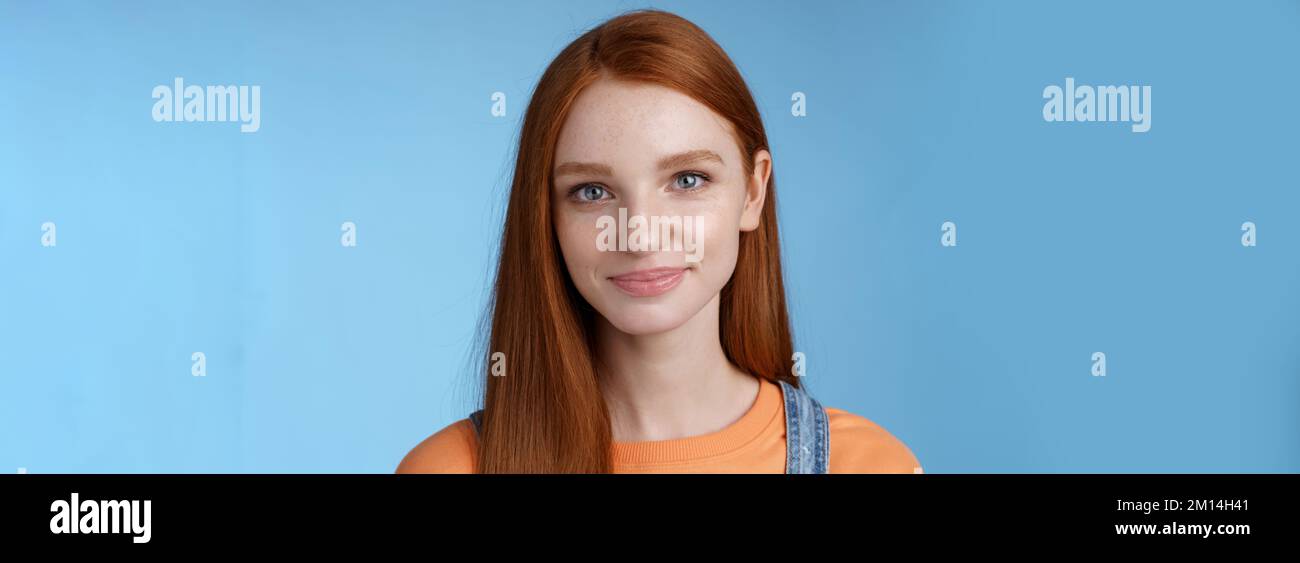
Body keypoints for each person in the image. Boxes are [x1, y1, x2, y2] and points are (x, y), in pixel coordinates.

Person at [398, 9, 921, 474]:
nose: (641, 233)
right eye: (592, 191)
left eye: (688, 180)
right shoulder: (447, 468)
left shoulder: (872, 464)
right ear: (546, 215)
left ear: (753, 192)